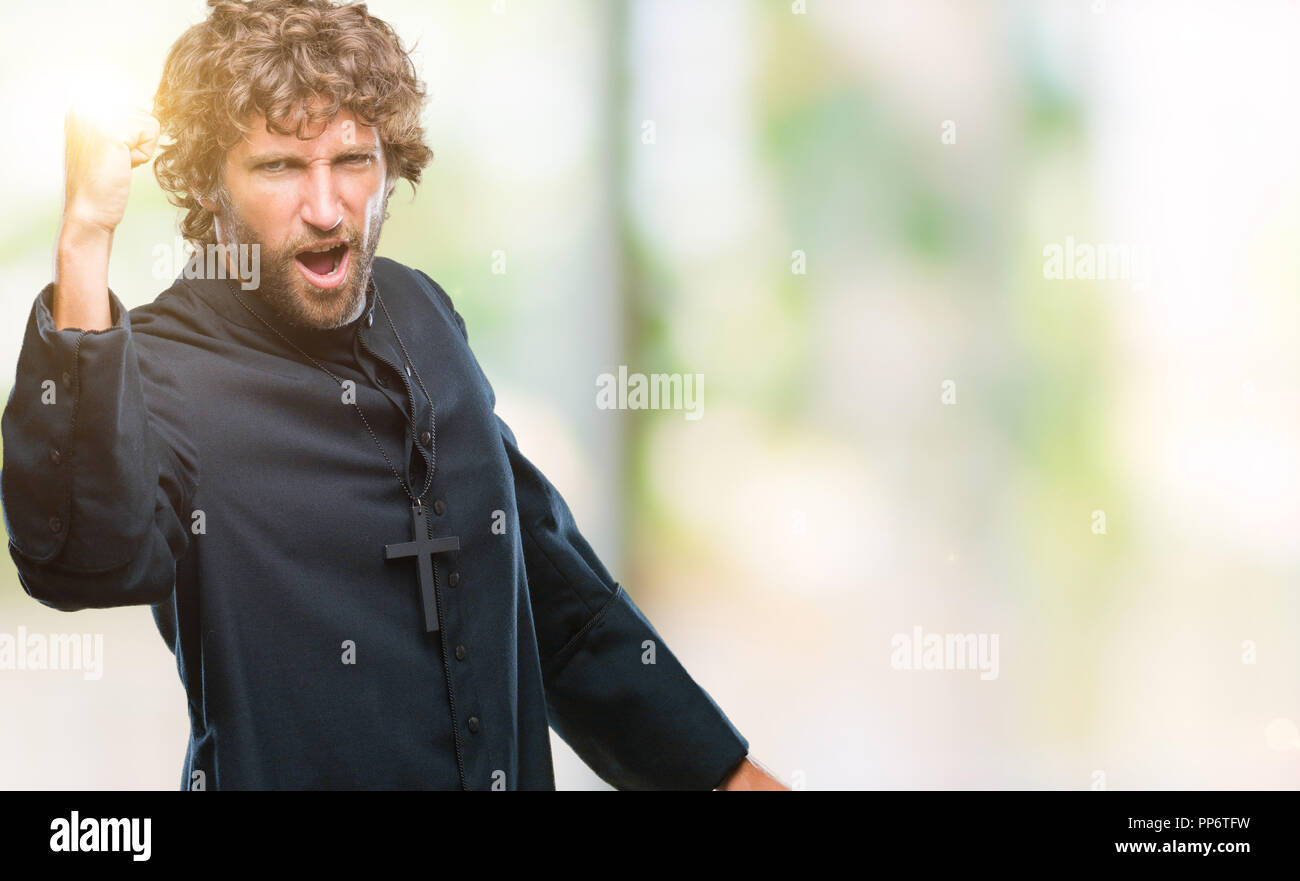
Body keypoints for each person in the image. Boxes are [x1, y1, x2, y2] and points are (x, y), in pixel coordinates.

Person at [1, 0, 786, 790]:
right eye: (278, 166)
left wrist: (723, 774)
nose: (326, 207)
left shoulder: (425, 314)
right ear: (211, 182)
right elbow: (79, 560)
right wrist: (86, 235)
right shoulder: (166, 367)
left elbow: (549, 589)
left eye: (352, 160)